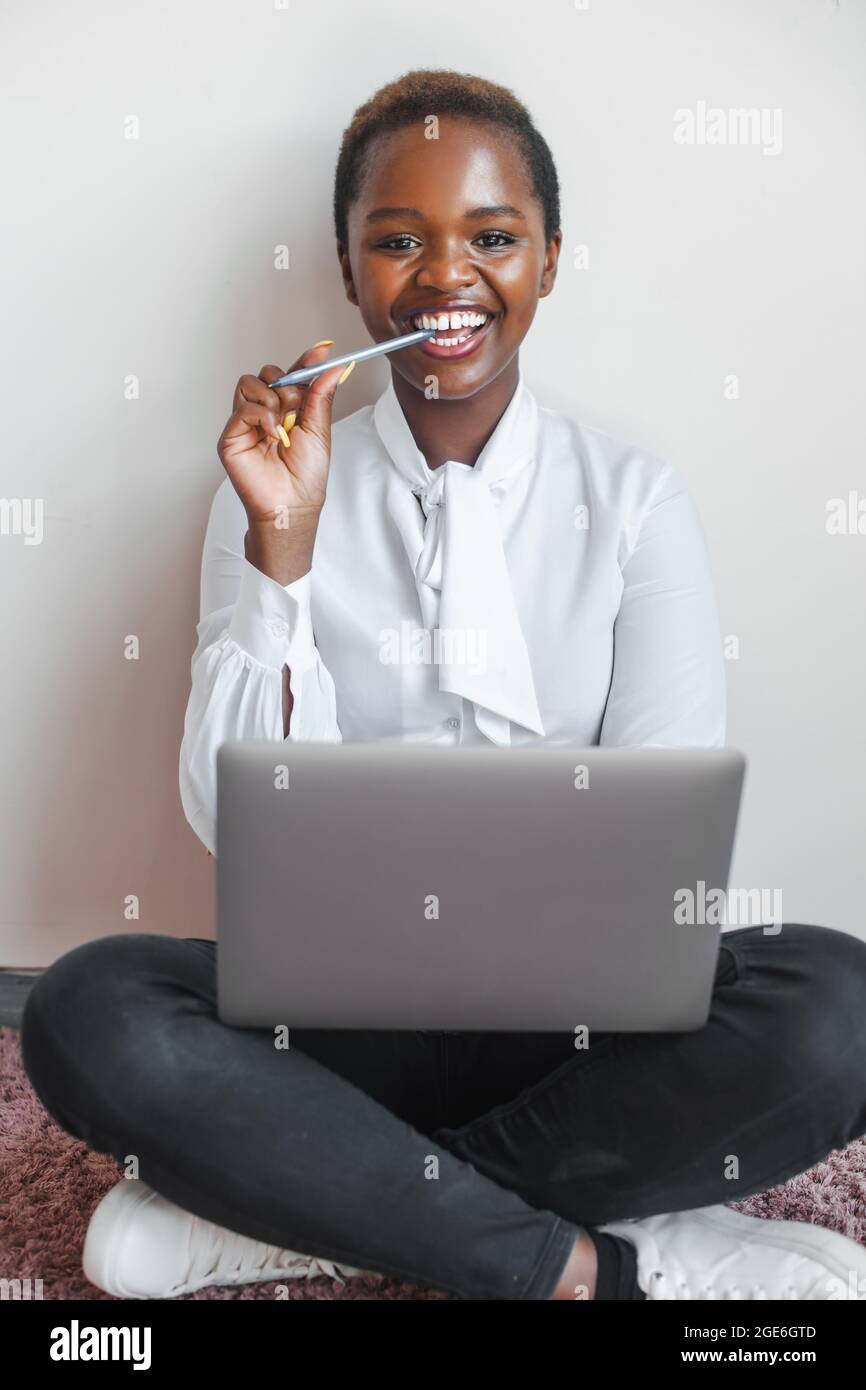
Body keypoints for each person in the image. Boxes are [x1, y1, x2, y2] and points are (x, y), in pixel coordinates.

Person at [20, 69, 866, 1302]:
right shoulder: (264, 487)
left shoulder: (635, 504)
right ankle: (600, 1257)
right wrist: (284, 550)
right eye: (399, 241)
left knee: (838, 1003)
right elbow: (225, 817)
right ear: (350, 272)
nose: (445, 276)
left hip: (579, 1046)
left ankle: (304, 1216)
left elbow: (668, 855)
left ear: (550, 261)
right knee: (87, 1005)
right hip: (338, 1039)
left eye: (492, 238)